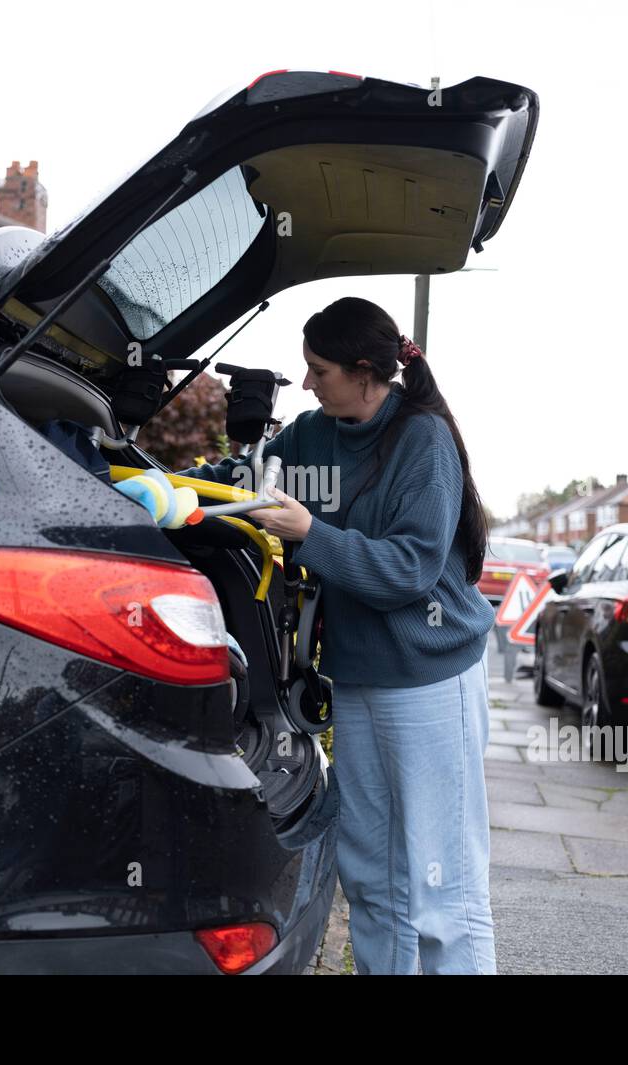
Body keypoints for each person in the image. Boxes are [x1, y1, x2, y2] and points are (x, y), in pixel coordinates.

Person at [175, 296, 498, 975]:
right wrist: (160, 485)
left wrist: (311, 534)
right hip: (357, 678)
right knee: (373, 876)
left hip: (429, 681)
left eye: (319, 371)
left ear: (363, 372)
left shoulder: (422, 441)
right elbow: (242, 483)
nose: (308, 384)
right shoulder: (311, 436)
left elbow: (410, 569)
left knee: (442, 885)